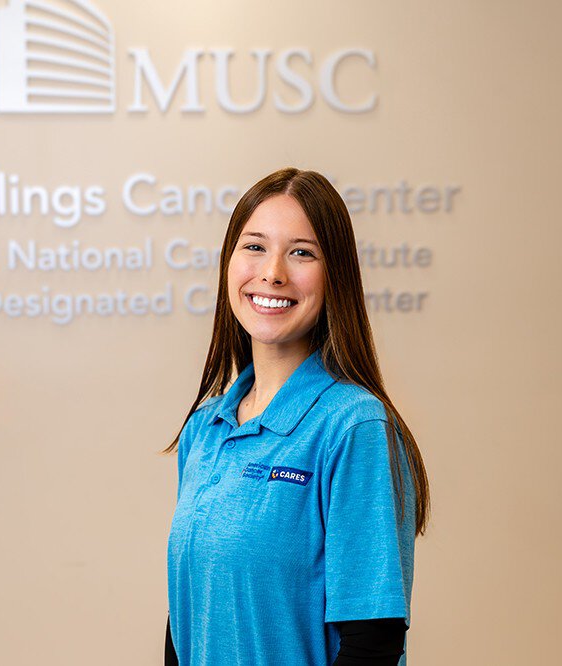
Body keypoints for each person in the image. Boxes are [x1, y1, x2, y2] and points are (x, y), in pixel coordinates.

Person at [160, 167, 431, 666]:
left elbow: (373, 645)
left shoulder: (354, 427)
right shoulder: (205, 428)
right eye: (254, 246)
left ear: (335, 276)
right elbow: (188, 618)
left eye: (302, 253)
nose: (273, 273)